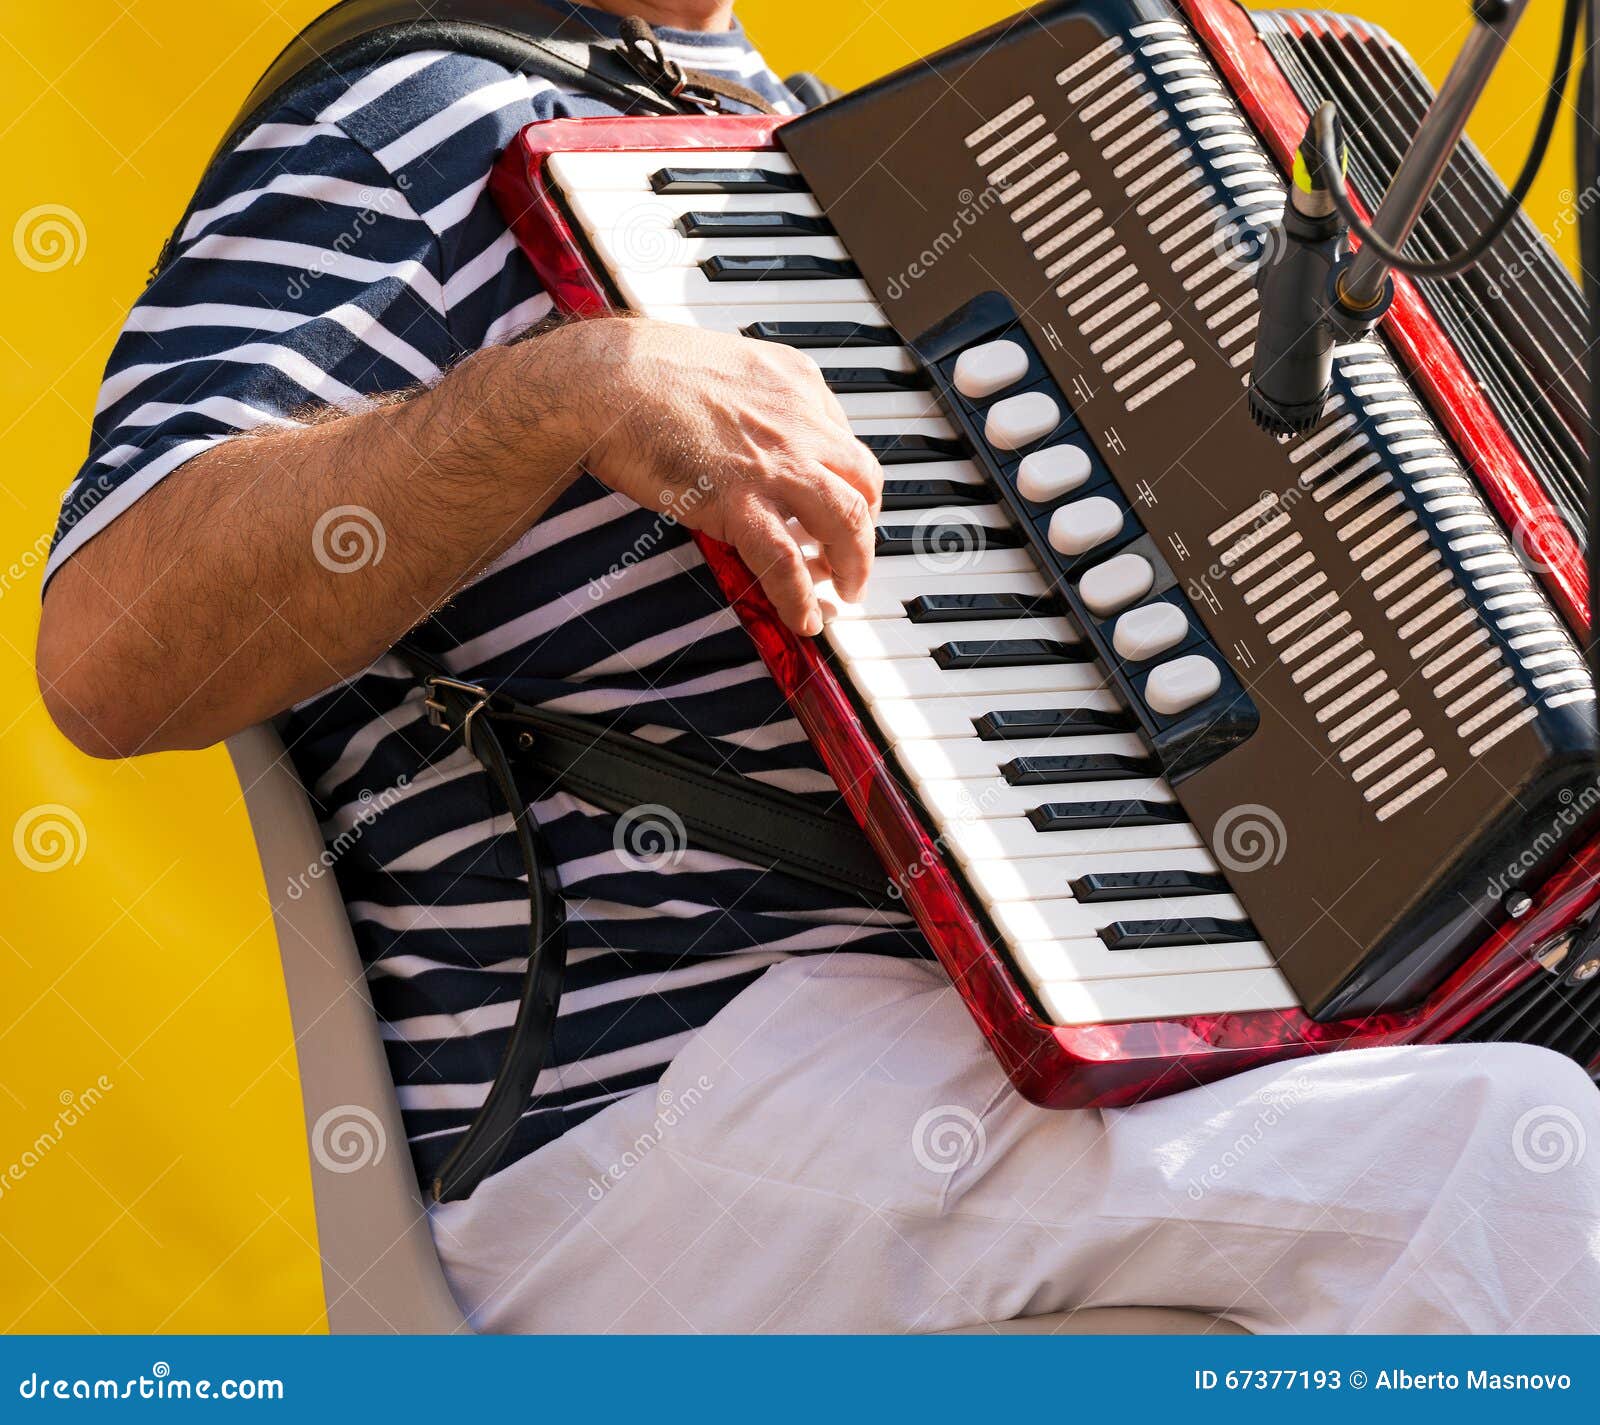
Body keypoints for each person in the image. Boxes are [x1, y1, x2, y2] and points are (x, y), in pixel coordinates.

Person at [35, 0, 1600, 1333]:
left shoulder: (812, 144)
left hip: (974, 1068)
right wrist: (567, 390)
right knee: (1512, 1156)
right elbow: (113, 651)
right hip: (651, 1119)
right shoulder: (408, 115)